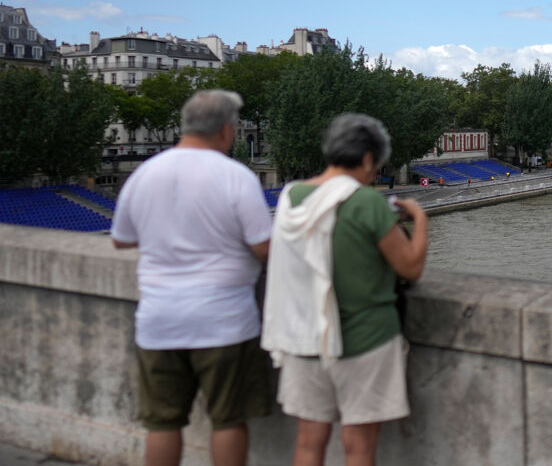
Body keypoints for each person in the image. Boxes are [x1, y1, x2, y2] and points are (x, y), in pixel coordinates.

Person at [110, 89, 273, 466]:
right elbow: (263, 247)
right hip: (224, 321)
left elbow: (121, 239)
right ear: (228, 130)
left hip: (159, 319)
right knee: (228, 421)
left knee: (162, 424)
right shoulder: (236, 176)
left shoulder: (144, 173)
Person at [262, 113, 428, 466]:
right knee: (359, 449)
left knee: (308, 443)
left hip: (305, 339)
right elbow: (409, 266)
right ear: (368, 158)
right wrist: (421, 220)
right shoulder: (366, 202)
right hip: (365, 341)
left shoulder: (293, 198)